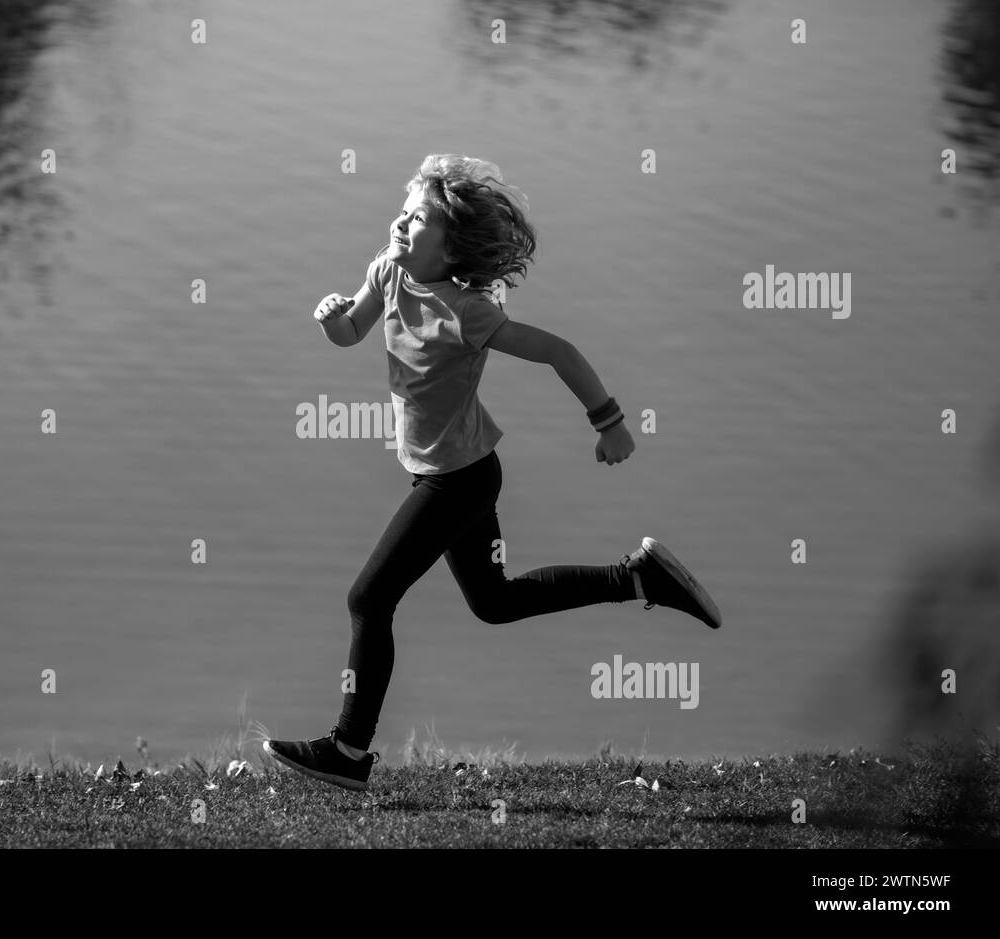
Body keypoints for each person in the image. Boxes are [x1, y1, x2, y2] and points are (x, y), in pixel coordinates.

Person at [264, 154, 721, 792]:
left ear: (452, 247)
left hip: (459, 481)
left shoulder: (468, 313)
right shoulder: (389, 270)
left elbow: (558, 351)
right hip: (445, 472)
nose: (400, 223)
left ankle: (348, 749)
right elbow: (352, 330)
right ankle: (640, 577)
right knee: (495, 602)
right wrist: (330, 319)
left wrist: (609, 422)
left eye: (418, 217)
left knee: (368, 598)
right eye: (403, 210)